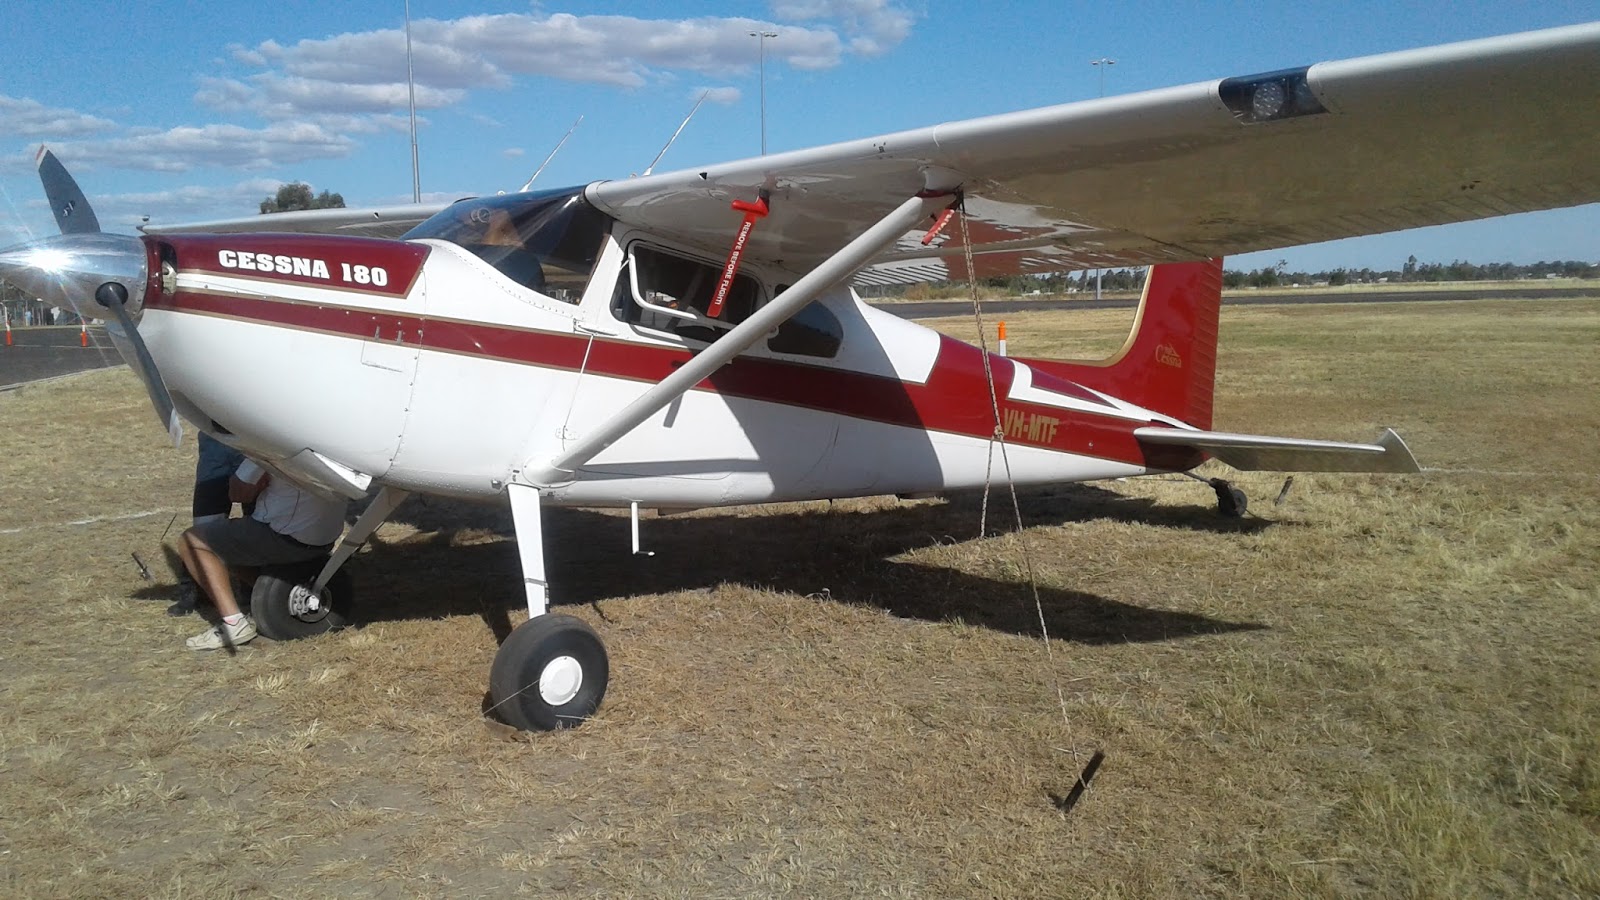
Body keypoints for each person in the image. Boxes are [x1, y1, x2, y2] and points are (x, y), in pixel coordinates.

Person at [176, 457, 346, 650]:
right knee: (229, 541)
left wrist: (257, 482)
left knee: (191, 541)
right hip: (325, 538)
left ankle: (234, 624)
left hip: (284, 537)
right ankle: (274, 595)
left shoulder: (266, 446)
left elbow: (238, 493)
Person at [170, 433, 247, 616]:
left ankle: (256, 587)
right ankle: (197, 589)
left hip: (251, 439)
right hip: (214, 439)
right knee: (204, 522)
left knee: (259, 516)